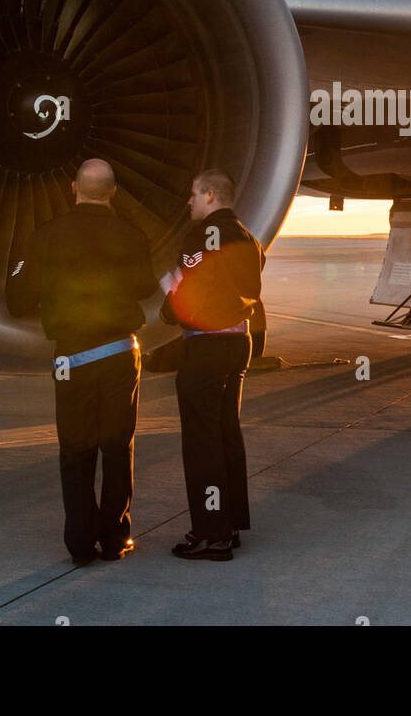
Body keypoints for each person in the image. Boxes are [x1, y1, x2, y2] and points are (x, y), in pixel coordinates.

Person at [5, 158, 155, 565]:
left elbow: (16, 300)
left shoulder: (46, 236)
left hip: (72, 357)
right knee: (117, 446)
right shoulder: (131, 235)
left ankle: (79, 541)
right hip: (119, 353)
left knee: (75, 448)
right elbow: (146, 286)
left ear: (74, 188)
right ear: (113, 192)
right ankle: (114, 537)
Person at [159, 169, 264, 561]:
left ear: (209, 195)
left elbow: (189, 286)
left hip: (206, 346)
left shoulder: (201, 236)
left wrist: (170, 305)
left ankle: (210, 532)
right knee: (226, 436)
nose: (188, 202)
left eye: (192, 194)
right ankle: (231, 523)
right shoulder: (249, 238)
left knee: (202, 443)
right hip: (239, 341)